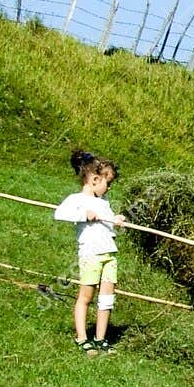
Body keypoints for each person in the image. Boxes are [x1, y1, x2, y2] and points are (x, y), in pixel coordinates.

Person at [54, 149, 126, 353]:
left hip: (109, 255)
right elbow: (59, 213)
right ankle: (82, 337)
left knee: (107, 298)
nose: (108, 188)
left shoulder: (103, 203)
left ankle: (101, 338)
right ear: (95, 179)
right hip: (91, 255)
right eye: (108, 183)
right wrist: (84, 214)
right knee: (86, 296)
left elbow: (108, 225)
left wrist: (117, 220)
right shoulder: (77, 199)